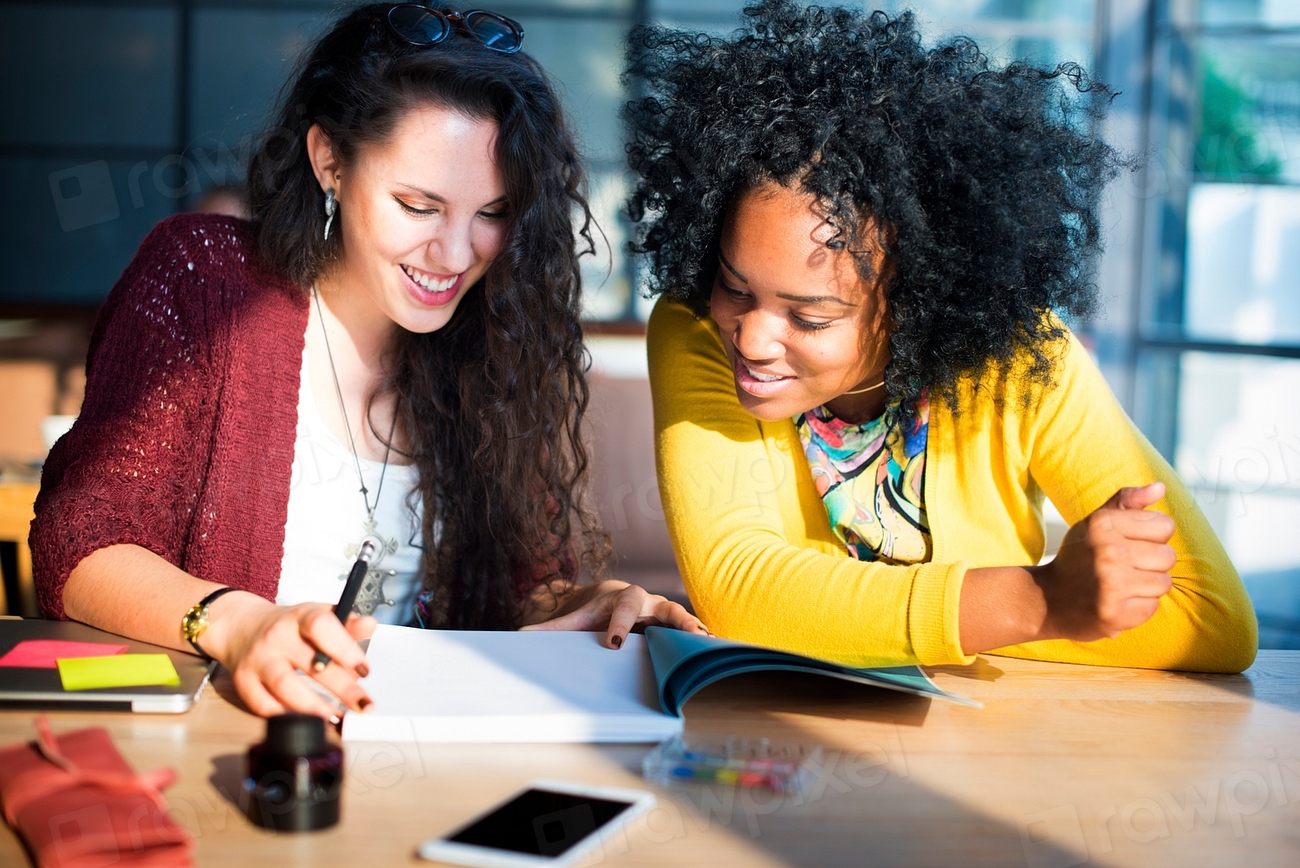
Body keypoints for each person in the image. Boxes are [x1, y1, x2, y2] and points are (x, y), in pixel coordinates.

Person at [31, 2, 704, 720]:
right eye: (418, 205)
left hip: (413, 757)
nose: (454, 255)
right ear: (330, 162)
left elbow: (519, 590)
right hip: (240, 745)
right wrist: (242, 624)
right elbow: (79, 544)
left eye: (493, 212)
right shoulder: (205, 283)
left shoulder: (495, 340)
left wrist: (585, 606)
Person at [624, 0, 1257, 673]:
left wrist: (848, 618)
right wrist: (1039, 601)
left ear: (916, 304)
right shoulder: (695, 329)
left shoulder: (1023, 362)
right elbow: (743, 595)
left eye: (809, 318)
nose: (750, 339)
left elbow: (1210, 620)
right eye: (734, 286)